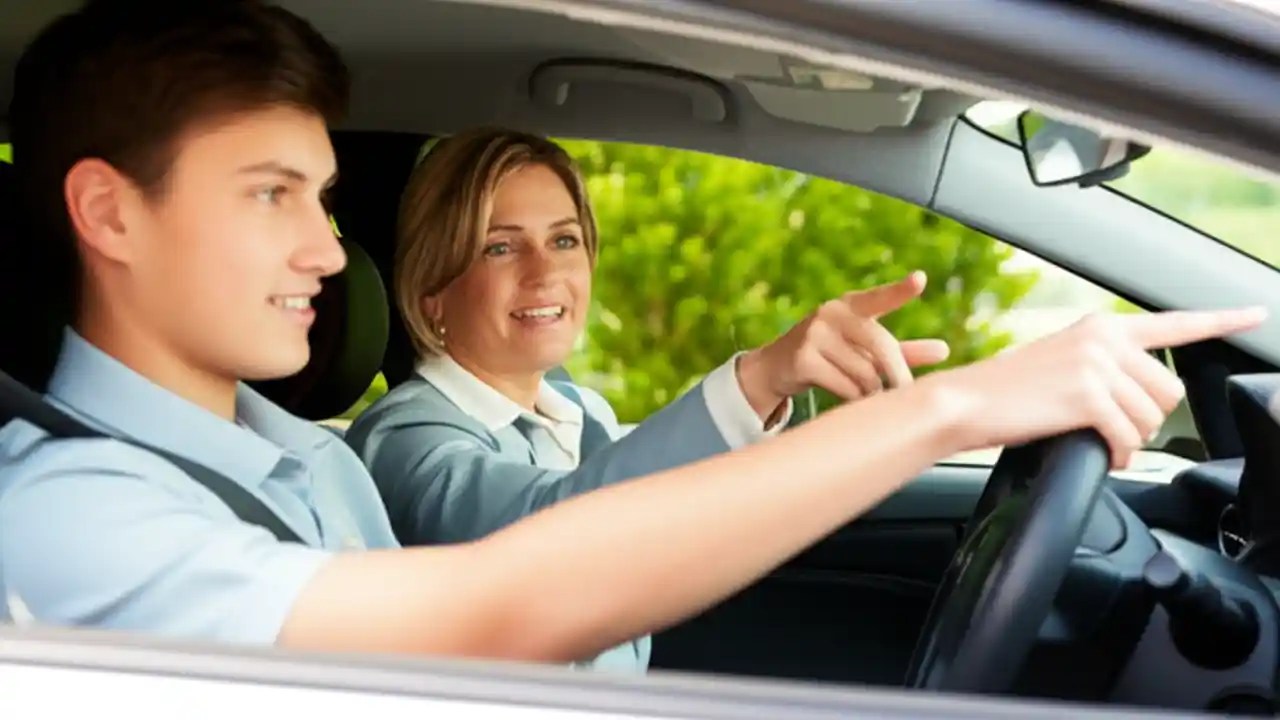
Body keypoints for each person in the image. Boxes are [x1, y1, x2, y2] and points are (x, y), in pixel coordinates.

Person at [0, 0, 1263, 667]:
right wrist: (938, 412)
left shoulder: (303, 456)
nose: (332, 255)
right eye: (272, 196)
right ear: (109, 210)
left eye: (326, 202)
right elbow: (507, 597)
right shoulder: (64, 511)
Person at [346, 127, 951, 671]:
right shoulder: (402, 441)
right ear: (431, 291)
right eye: (499, 247)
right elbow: (557, 530)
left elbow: (677, 525)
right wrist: (759, 378)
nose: (544, 273)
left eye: (564, 240)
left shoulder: (580, 413)